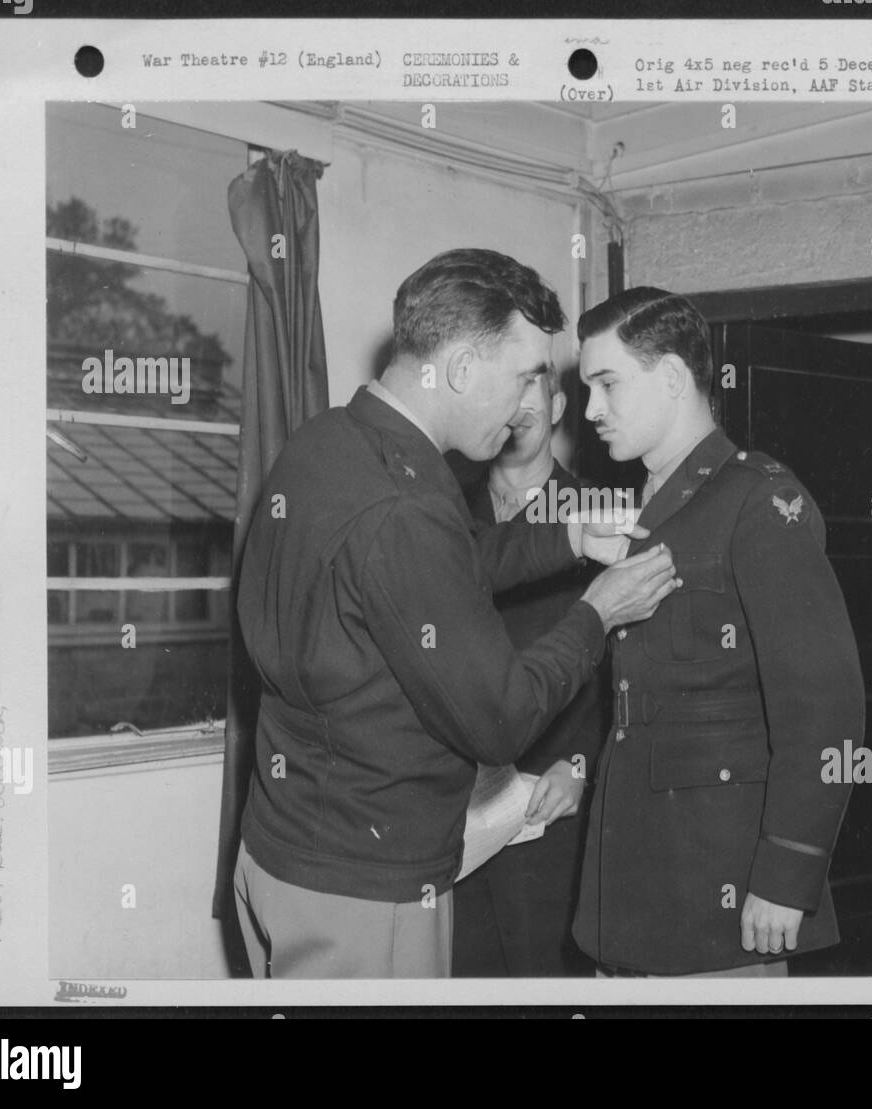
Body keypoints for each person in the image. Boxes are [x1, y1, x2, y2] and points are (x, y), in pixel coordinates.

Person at [232, 250, 678, 978]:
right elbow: (500, 718)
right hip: (363, 893)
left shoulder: (333, 440)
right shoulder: (405, 507)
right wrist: (597, 612)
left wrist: (566, 536)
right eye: (526, 374)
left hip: (280, 853)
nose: (529, 402)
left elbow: (431, 567)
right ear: (464, 369)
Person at [572, 287, 866, 977]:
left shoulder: (759, 500)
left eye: (607, 383)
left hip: (723, 891)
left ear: (673, 377)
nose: (590, 409)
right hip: (638, 882)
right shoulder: (646, 507)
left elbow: (826, 704)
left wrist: (787, 873)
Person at [453, 364, 606, 977]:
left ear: (559, 405)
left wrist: (581, 765)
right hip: (456, 803)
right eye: (505, 388)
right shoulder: (442, 509)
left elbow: (621, 659)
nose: (517, 406)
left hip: (548, 797)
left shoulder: (596, 514)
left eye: (531, 389)